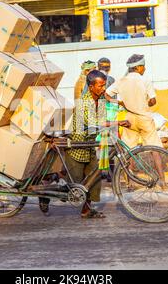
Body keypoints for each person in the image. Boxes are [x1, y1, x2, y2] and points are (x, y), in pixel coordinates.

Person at [67, 70, 129, 218]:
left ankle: (86, 210)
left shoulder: (100, 99)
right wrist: (118, 122)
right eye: (100, 86)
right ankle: (45, 196)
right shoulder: (83, 102)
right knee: (75, 182)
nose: (103, 89)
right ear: (91, 86)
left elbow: (101, 121)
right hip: (77, 146)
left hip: (89, 144)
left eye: (104, 85)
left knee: (93, 177)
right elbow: (95, 123)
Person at [104, 54, 162, 149]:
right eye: (143, 66)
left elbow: (106, 95)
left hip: (129, 119)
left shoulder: (121, 80)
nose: (145, 68)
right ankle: (159, 165)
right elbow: (153, 101)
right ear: (138, 67)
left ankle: (131, 164)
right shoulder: (145, 80)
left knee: (129, 150)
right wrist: (147, 103)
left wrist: (120, 103)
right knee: (155, 149)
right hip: (144, 118)